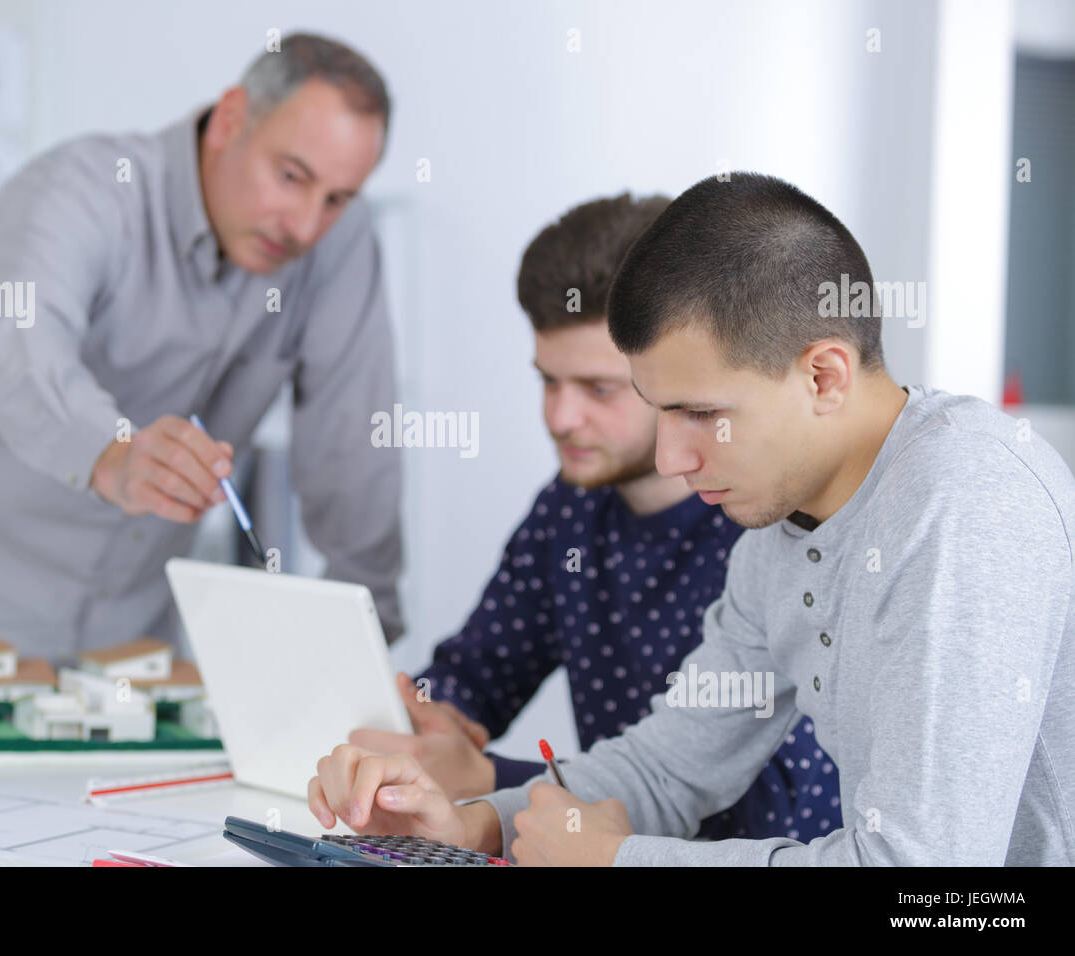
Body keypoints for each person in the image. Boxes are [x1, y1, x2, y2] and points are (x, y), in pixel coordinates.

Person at [308, 172, 1075, 865]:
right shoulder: (777, 533)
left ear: (824, 375)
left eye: (701, 413)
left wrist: (618, 863)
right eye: (657, 411)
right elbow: (669, 766)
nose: (673, 456)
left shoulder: (965, 495)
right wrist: (470, 825)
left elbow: (925, 884)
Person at [0, 33, 404, 673]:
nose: (306, 225)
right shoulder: (82, 188)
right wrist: (113, 454)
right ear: (230, 119)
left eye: (337, 198)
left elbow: (353, 443)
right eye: (290, 177)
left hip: (124, 630)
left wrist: (366, 634)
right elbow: (14, 348)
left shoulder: (336, 245)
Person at [349, 193, 839, 841]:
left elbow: (769, 807)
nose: (560, 418)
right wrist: (432, 725)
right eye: (548, 382)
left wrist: (488, 779)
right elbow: (480, 670)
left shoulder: (769, 516)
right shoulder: (571, 508)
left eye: (599, 389)